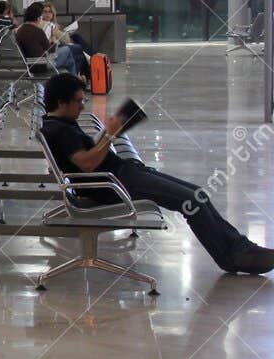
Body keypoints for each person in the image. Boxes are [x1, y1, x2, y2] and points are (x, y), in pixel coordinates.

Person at [40, 72, 274, 275]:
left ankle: (240, 248)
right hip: (118, 185)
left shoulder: (61, 124)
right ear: (62, 102)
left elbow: (89, 157)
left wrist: (111, 131)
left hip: (123, 175)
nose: (83, 105)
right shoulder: (60, 130)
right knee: (191, 200)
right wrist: (110, 134)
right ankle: (232, 257)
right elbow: (88, 164)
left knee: (197, 195)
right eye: (79, 101)